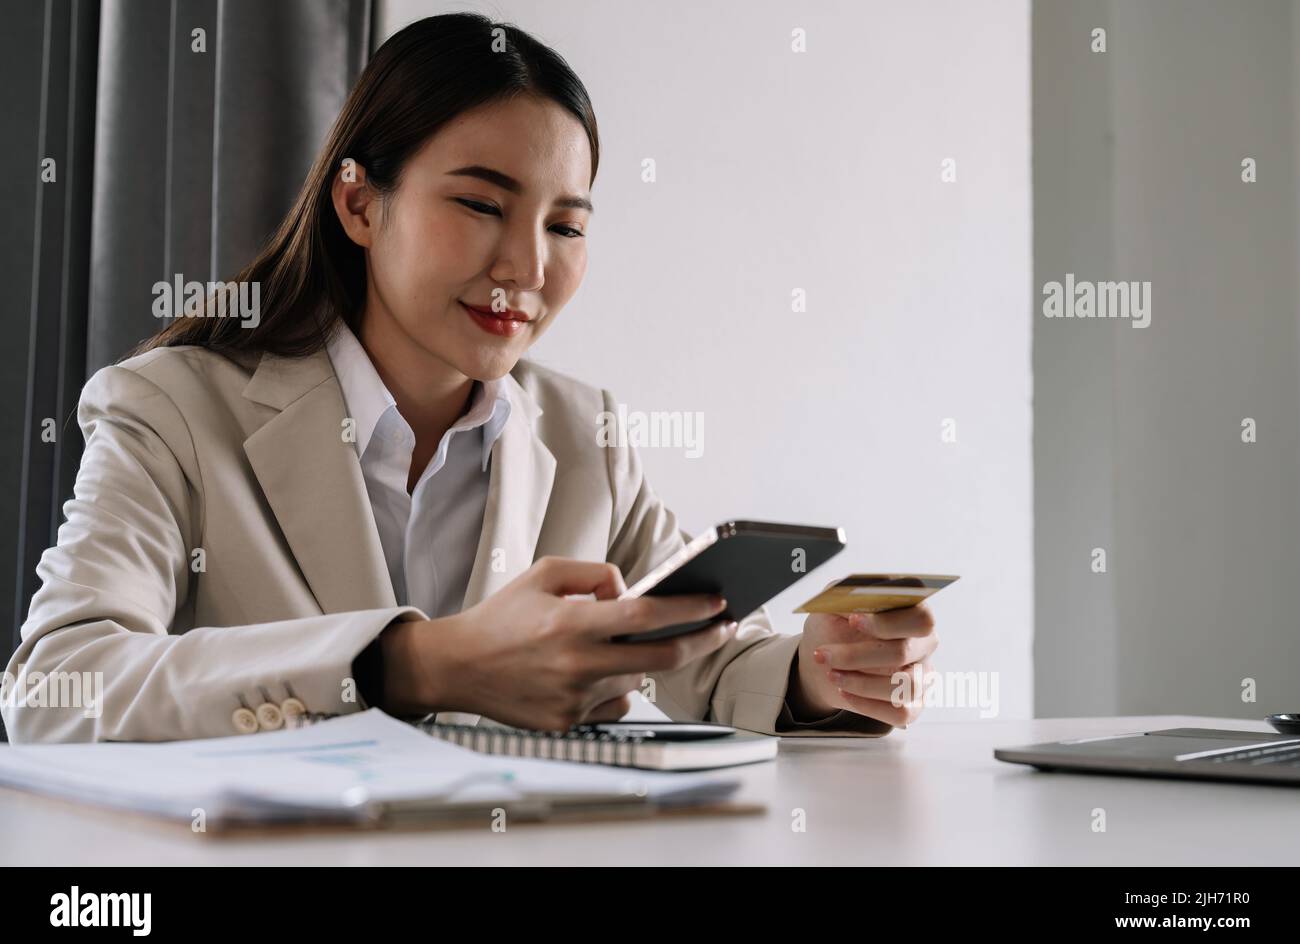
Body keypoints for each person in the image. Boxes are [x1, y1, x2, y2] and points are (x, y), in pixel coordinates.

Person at [2, 13, 936, 744]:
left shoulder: (582, 435)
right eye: (481, 204)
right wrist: (414, 664)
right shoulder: (171, 408)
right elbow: (56, 688)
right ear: (360, 203)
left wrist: (824, 673)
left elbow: (694, 655)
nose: (527, 266)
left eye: (565, 227)